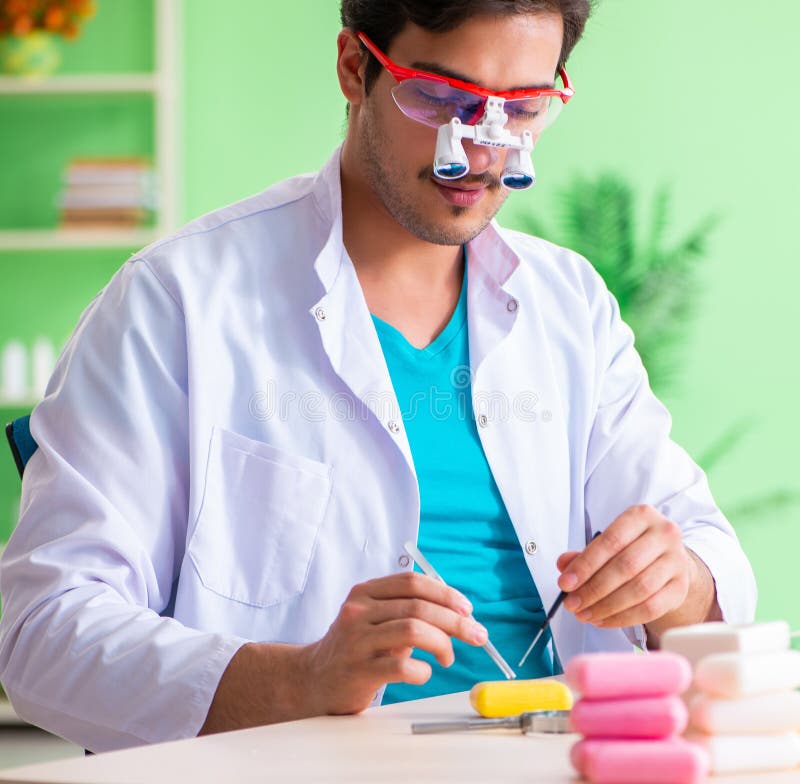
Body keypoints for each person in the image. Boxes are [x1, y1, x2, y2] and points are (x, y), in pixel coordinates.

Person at [0, 0, 756, 753]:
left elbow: (707, 558)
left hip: (561, 758)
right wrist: (301, 681)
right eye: (442, 99)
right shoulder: (178, 303)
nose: (482, 151)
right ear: (354, 68)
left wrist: (677, 582)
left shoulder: (570, 306)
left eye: (522, 108)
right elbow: (40, 634)